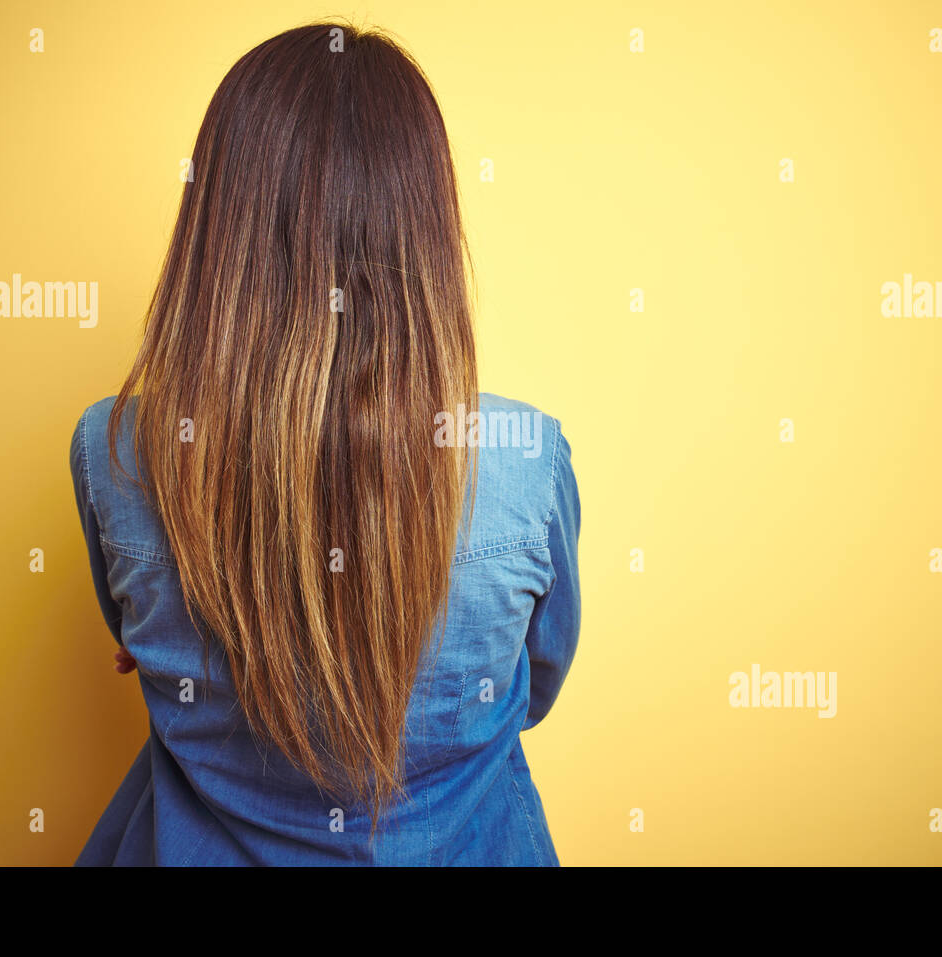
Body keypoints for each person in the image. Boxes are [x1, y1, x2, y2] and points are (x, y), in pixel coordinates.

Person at [68, 21, 581, 866]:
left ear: (216, 226)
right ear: (424, 233)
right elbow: (538, 680)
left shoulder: (115, 451)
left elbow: (125, 627)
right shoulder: (526, 460)